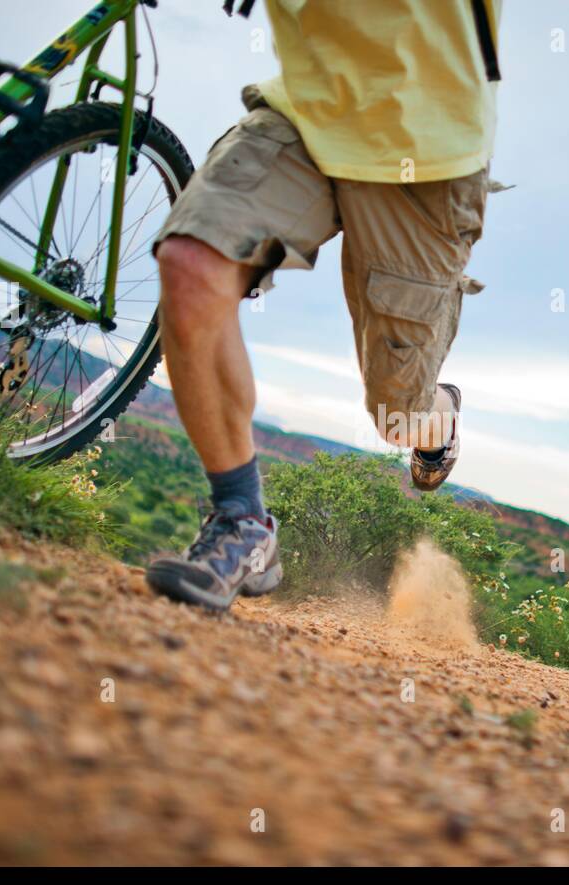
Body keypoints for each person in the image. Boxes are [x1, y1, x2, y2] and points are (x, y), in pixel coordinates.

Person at [145, 0, 502, 610]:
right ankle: (243, 524)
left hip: (427, 152)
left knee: (397, 418)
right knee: (191, 265)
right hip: (307, 114)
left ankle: (436, 412)